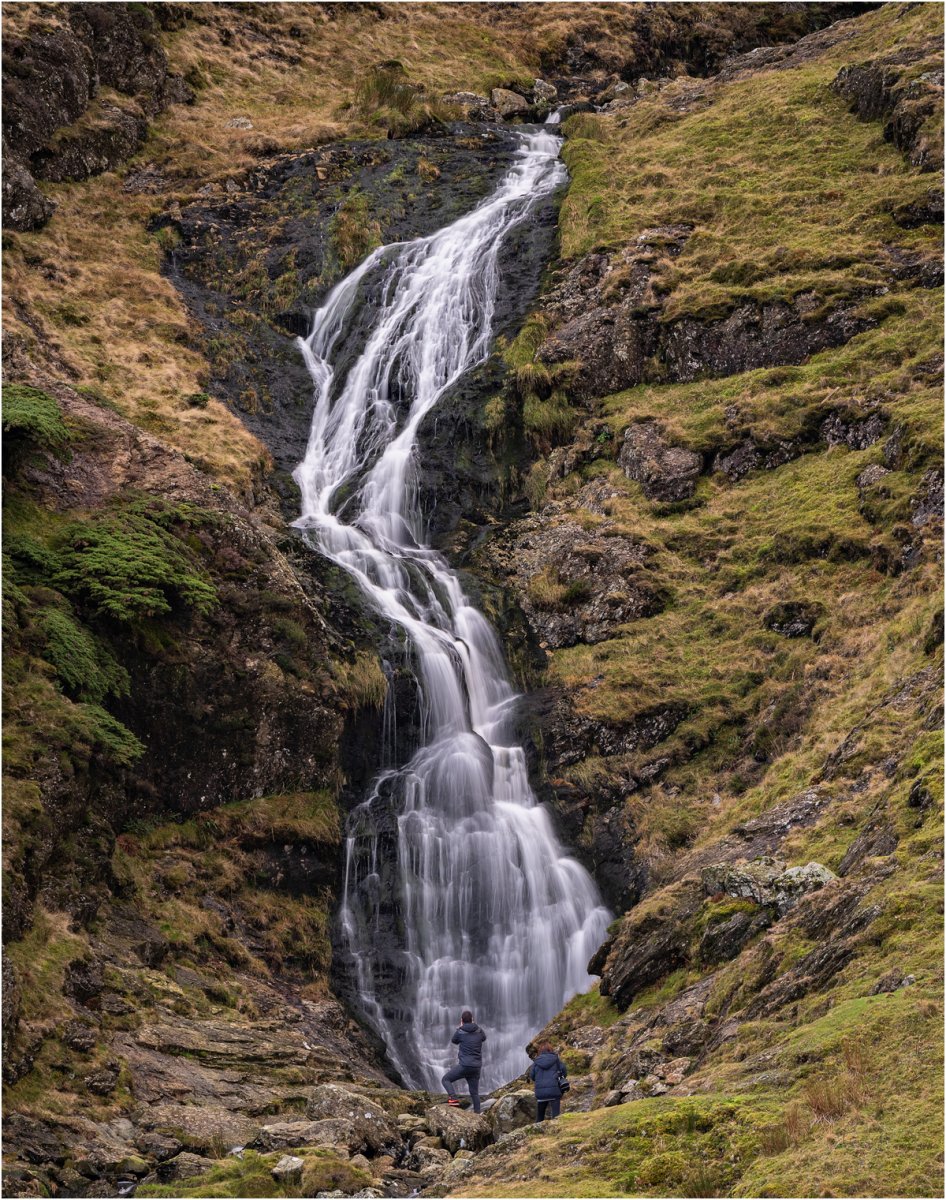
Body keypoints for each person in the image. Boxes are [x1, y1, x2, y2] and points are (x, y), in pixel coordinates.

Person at [441, 1010, 486, 1113]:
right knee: (474, 1093)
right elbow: (483, 1038)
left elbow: (454, 1041)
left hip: (465, 1066)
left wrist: (460, 1028)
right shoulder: (479, 1030)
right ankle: (477, 1114)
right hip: (476, 1067)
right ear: (472, 1020)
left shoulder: (460, 1032)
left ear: (462, 1020)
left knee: (445, 1080)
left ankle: (453, 1098)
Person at [529, 1040, 567, 1121]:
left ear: (540, 1051)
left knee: (540, 1116)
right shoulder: (556, 1060)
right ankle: (555, 1131)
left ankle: (537, 1131)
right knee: (556, 1117)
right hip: (554, 1091)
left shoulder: (536, 1062)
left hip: (541, 1093)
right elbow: (564, 1072)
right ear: (550, 1050)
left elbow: (532, 1076)